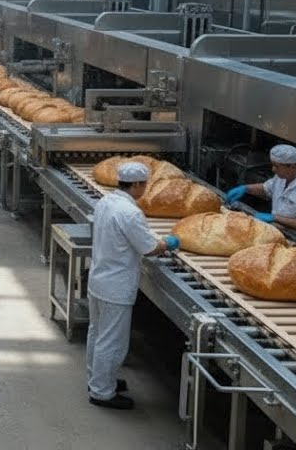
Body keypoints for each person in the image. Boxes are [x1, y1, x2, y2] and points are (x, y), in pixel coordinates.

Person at [87, 162, 179, 410]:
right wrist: (168, 243)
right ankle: (102, 393)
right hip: (116, 286)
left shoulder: (106, 202)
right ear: (137, 185)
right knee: (112, 341)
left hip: (98, 278)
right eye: (144, 185)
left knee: (97, 333)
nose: (145, 189)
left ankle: (97, 379)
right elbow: (149, 248)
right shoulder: (130, 213)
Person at [225, 144, 296, 245]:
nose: (273, 169)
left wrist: (274, 218)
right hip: (279, 233)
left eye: (277, 166)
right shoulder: (281, 177)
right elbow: (265, 188)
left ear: (292, 166)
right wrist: (245, 188)